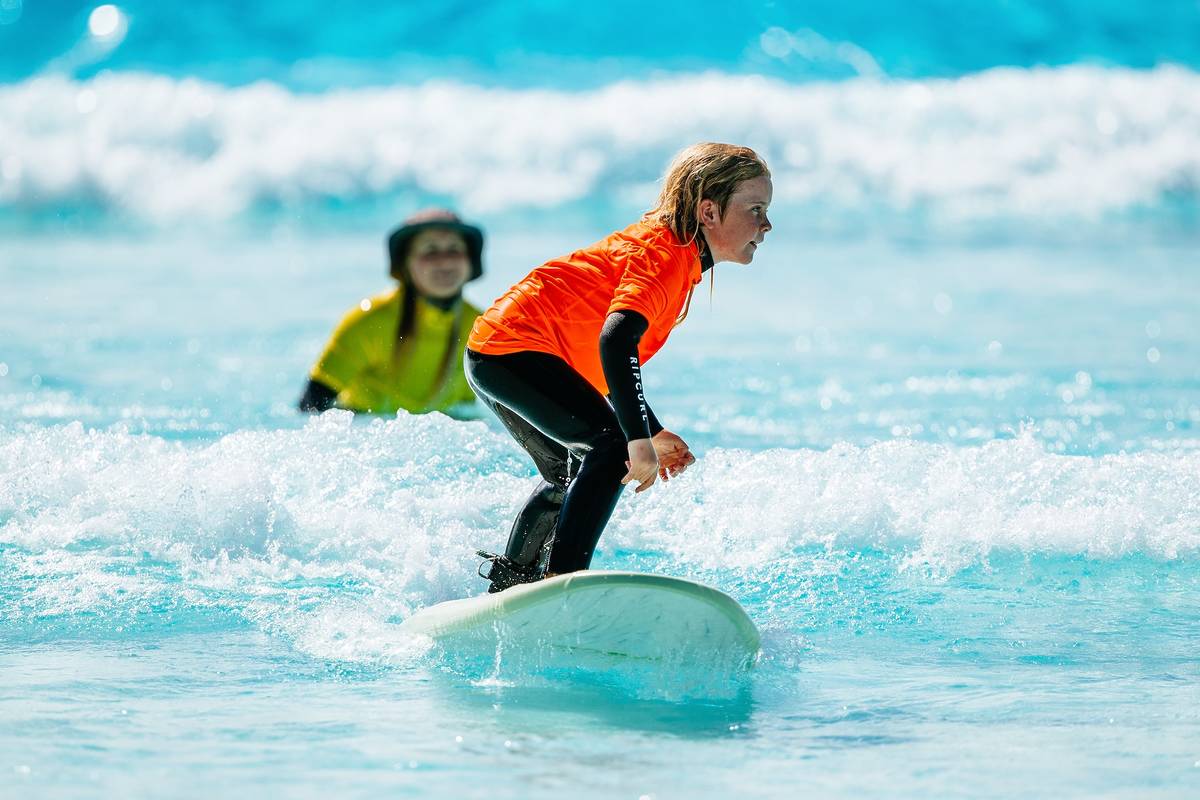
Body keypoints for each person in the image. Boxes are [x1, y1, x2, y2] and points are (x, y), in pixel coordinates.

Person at [465, 142, 773, 593]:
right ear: (709, 211)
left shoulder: (672, 253)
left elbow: (602, 362)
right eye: (756, 208)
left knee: (568, 473)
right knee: (608, 451)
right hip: (516, 348)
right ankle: (562, 584)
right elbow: (616, 340)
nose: (766, 225)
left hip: (496, 351)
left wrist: (652, 428)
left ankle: (513, 584)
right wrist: (635, 440)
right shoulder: (668, 255)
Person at [298, 209, 485, 416]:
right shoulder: (369, 322)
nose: (444, 261)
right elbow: (309, 408)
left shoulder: (481, 329)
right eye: (430, 251)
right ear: (405, 263)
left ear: (471, 260)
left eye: (454, 250)